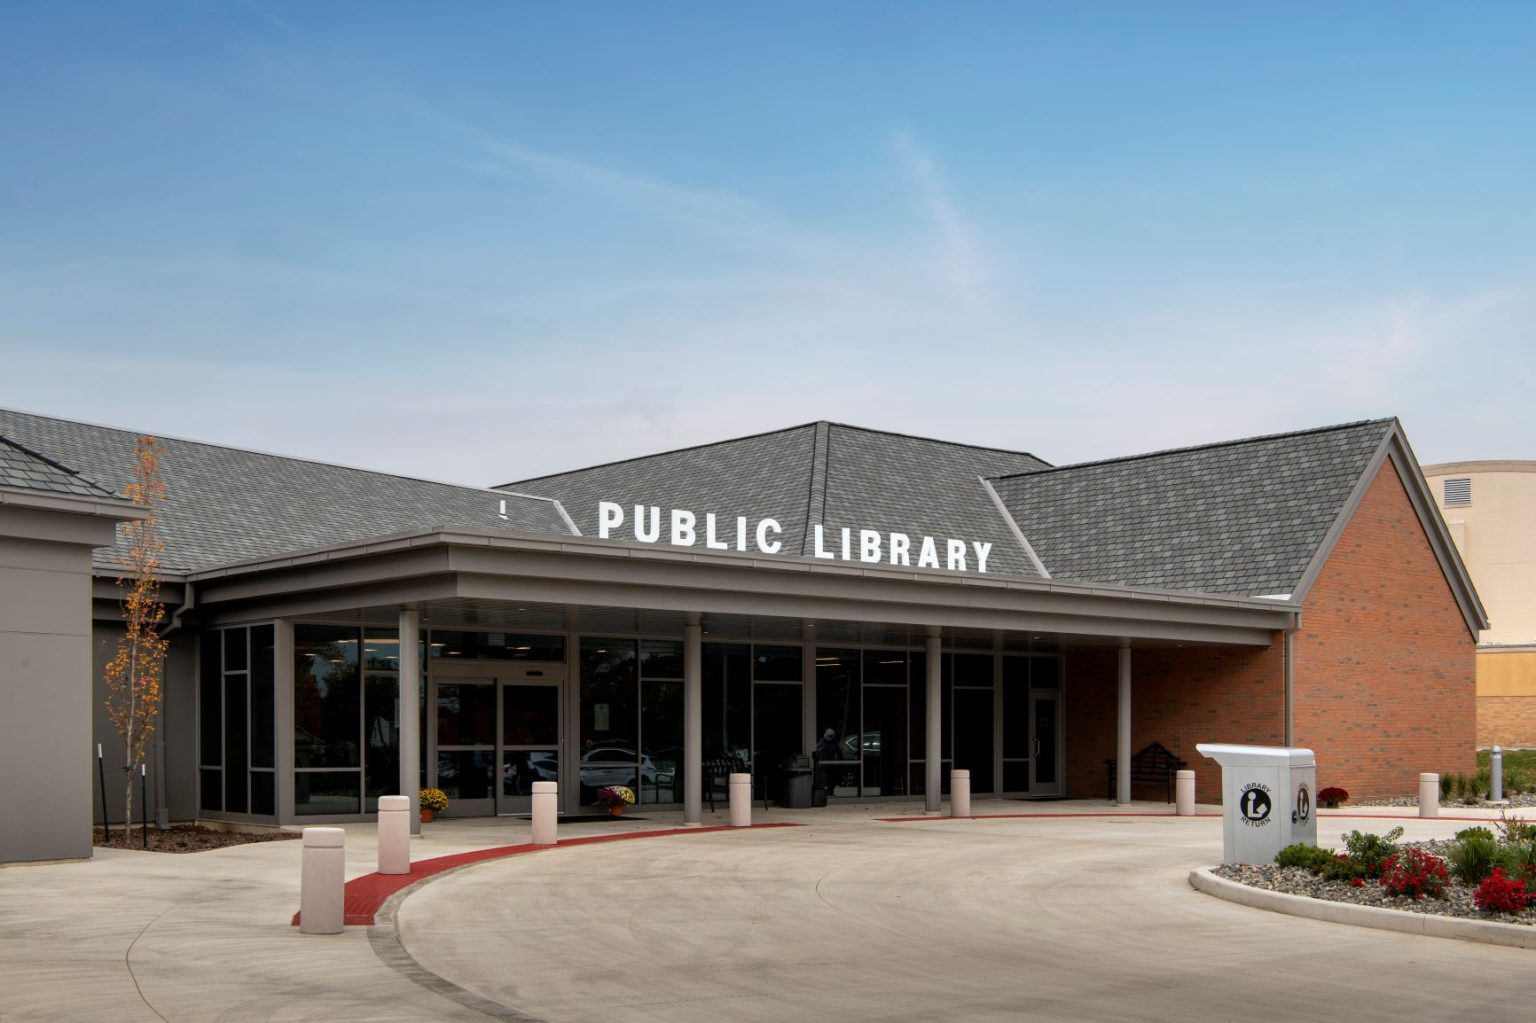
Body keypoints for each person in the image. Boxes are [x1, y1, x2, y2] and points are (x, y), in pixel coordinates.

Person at [814, 728, 841, 798]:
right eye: (829, 736)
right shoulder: (822, 740)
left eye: (832, 736)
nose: (830, 737)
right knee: (822, 779)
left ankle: (831, 792)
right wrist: (822, 749)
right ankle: (823, 793)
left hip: (831, 762)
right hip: (823, 762)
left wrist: (841, 760)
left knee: (832, 778)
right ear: (826, 735)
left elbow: (839, 751)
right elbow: (816, 749)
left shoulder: (835, 742)